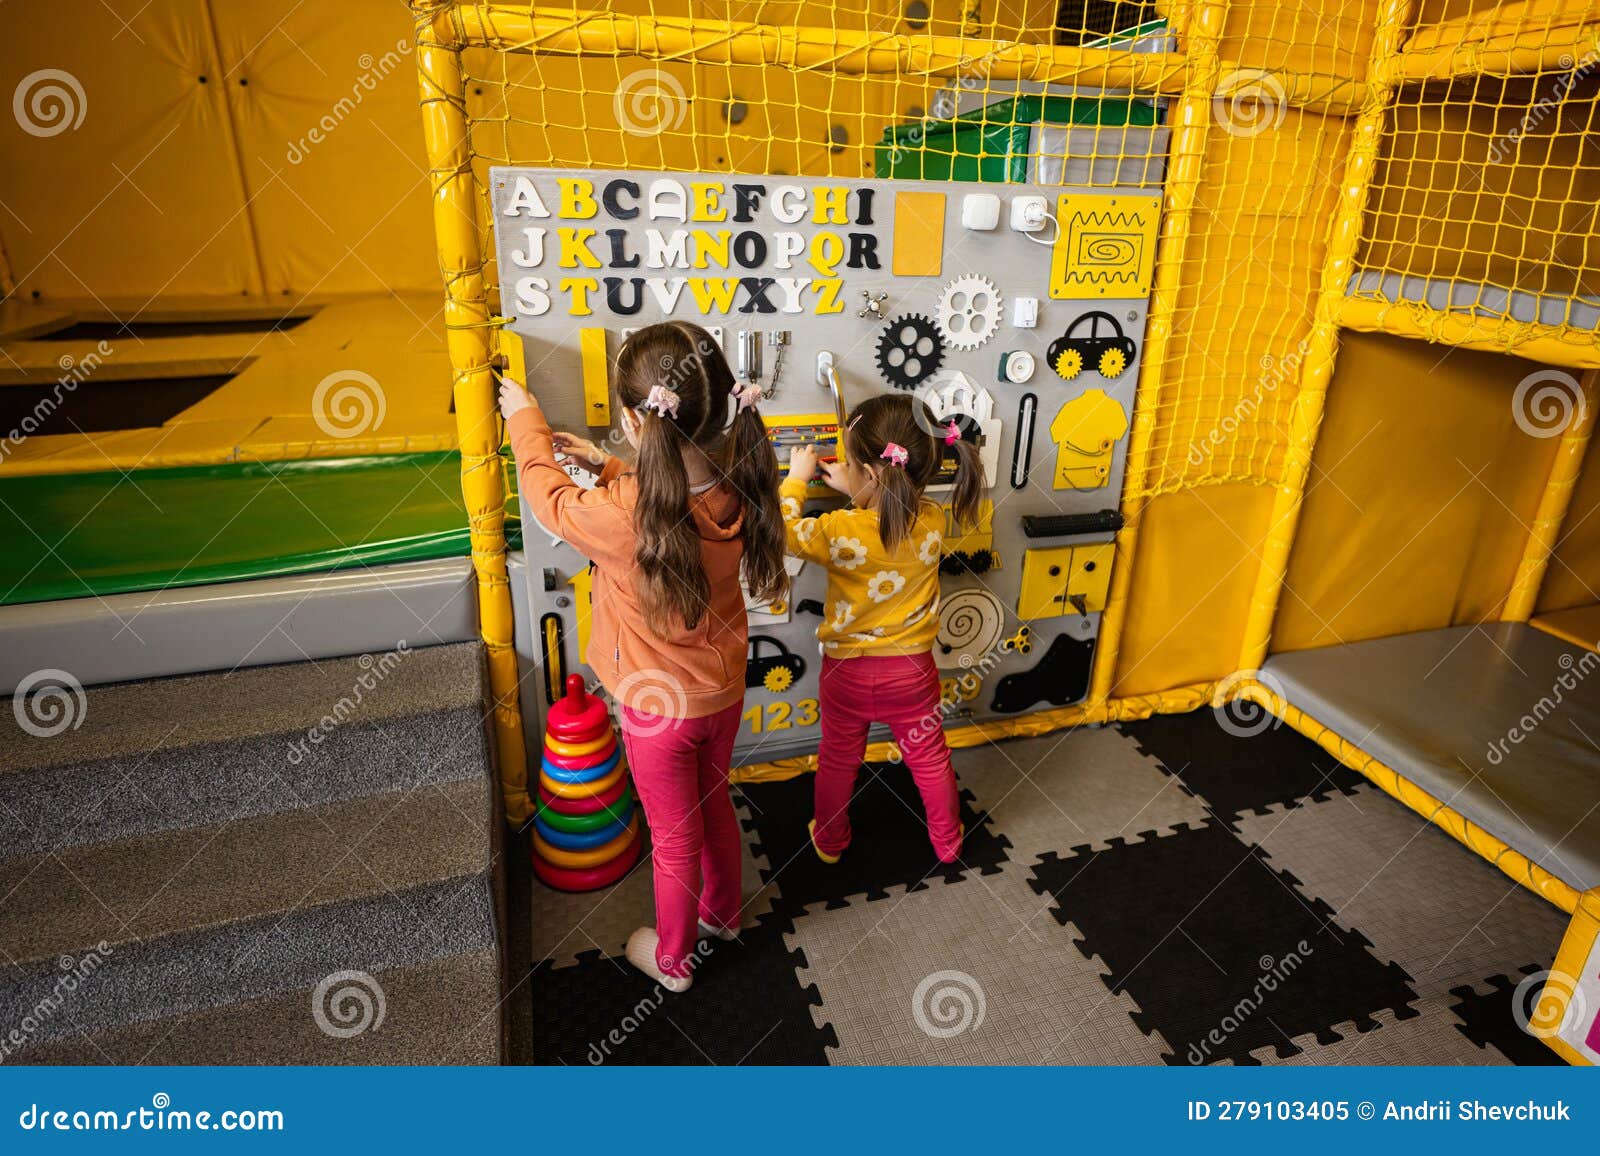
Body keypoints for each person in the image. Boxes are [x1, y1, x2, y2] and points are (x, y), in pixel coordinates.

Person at [499, 321, 785, 992]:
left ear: (636, 418)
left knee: (674, 837)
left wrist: (527, 422)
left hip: (659, 714)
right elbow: (672, 489)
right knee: (714, 804)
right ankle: (722, 916)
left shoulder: (621, 514)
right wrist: (608, 466)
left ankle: (674, 960)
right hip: (721, 694)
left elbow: (548, 500)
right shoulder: (740, 473)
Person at [780, 393, 983, 864]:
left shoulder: (836, 529)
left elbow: (785, 530)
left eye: (850, 463)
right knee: (930, 758)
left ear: (869, 474)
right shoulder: (933, 519)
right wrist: (857, 483)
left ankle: (830, 841)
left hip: (848, 673)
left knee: (838, 758)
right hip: (912, 672)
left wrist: (795, 482)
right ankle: (948, 842)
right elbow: (886, 511)